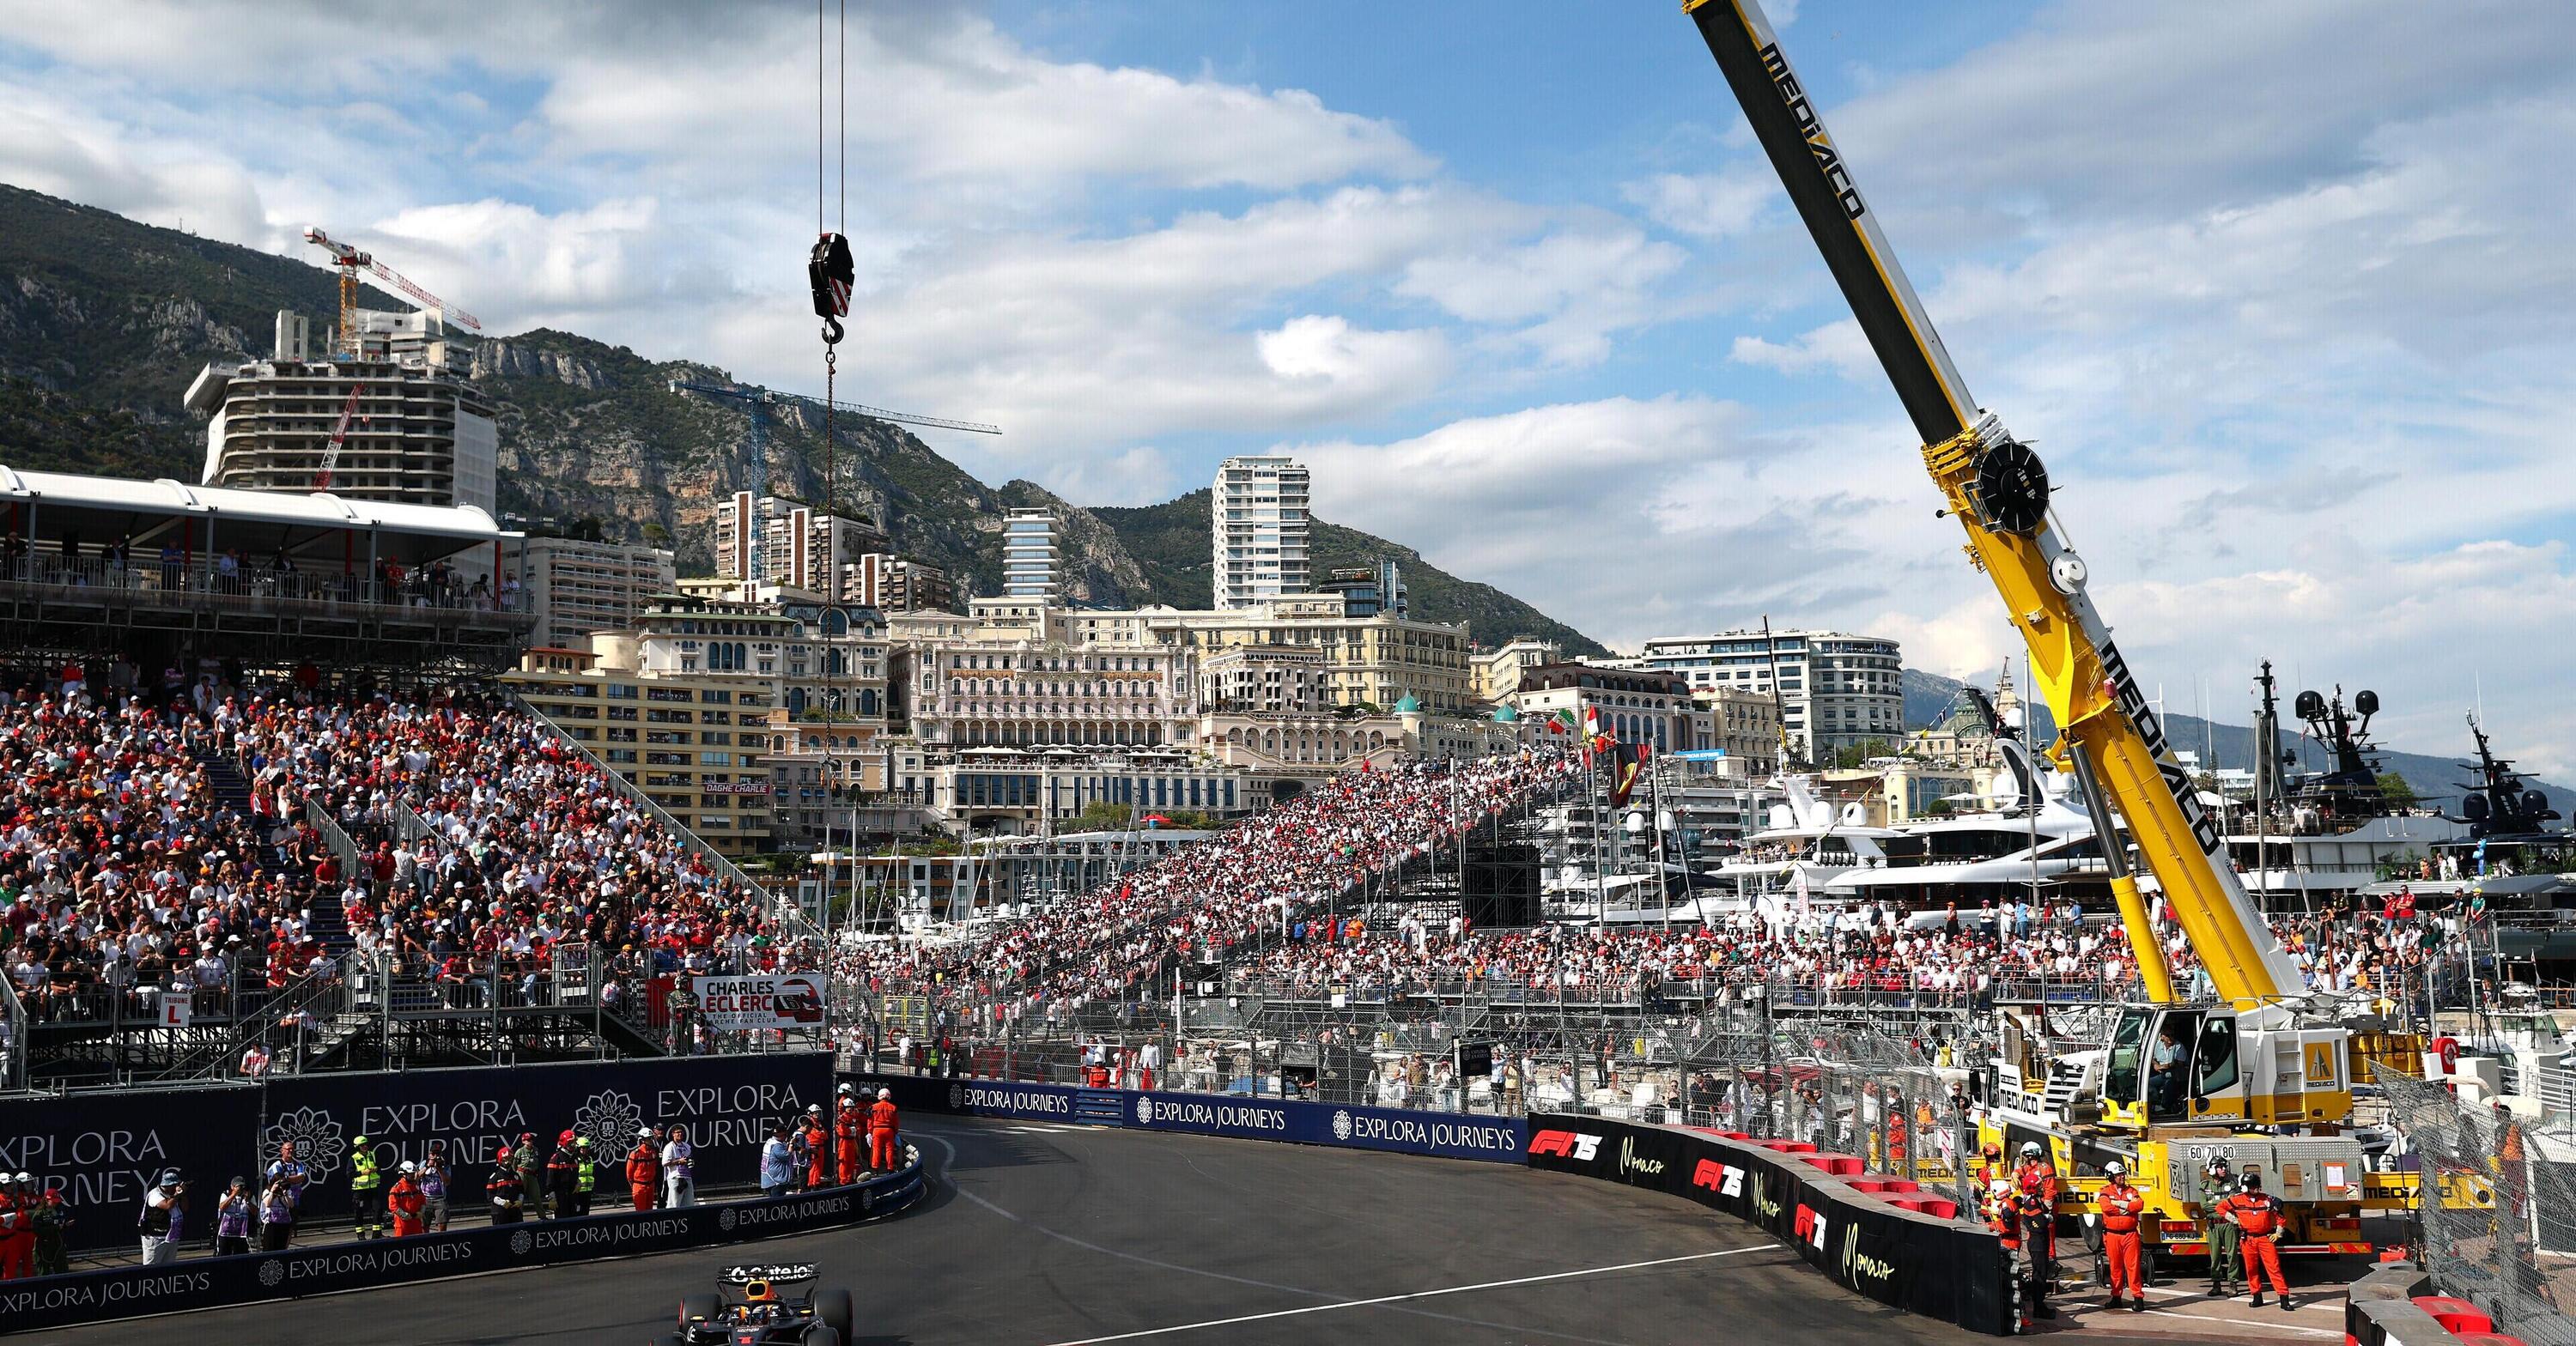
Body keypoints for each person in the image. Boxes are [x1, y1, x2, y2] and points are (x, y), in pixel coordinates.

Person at [2215, 1171, 2291, 1310]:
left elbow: (2280, 1217)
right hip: (2247, 1239)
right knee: (2251, 1269)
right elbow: (2220, 1208)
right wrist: (2233, 1219)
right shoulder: (2237, 1200)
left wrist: (2278, 1233)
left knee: (2274, 1268)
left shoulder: (2267, 1200)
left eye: (2257, 1186)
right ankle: (2256, 1296)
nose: (2256, 1189)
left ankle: (2284, 1298)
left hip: (2265, 1238)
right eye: (2252, 1186)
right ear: (2244, 1187)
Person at [2096, 1160, 2148, 1312]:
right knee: (2115, 1267)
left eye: (2123, 1174)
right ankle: (2116, 1297)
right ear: (2111, 1177)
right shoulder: (2105, 1191)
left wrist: (2118, 1204)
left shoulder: (2132, 1191)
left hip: (2130, 1235)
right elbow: (2106, 1207)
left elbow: (2139, 1205)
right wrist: (2126, 1207)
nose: (2122, 1177)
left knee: (2133, 1267)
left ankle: (2138, 1298)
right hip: (2112, 1235)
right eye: (2119, 1175)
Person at [2013, 1141, 2057, 1301]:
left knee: (2048, 1240)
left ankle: (2052, 1262)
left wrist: (2046, 1208)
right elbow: (2021, 1170)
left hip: (2044, 1210)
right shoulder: (2030, 1168)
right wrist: (2015, 1173)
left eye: (2026, 1155)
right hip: (2037, 1211)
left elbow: (2050, 1190)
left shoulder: (2044, 1169)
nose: (2024, 1158)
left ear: (2031, 1155)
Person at [2198, 1156, 2239, 1296]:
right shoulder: (2205, 1185)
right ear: (2212, 1169)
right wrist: (2223, 1203)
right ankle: (2216, 1284)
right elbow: (2204, 1205)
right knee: (2215, 1257)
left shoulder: (2231, 1184)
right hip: (2213, 1226)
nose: (2223, 1169)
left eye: (2224, 1166)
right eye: (2220, 1167)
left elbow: (2232, 1203)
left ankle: (2233, 1284)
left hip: (2228, 1225)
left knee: (2232, 1255)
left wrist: (2214, 1203)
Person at [137, 1169, 187, 1265]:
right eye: (175, 1185)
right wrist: (177, 1195)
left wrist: (183, 1194)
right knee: (152, 1268)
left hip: (171, 1236)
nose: (177, 1187)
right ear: (168, 1185)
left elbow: (185, 1208)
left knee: (168, 1267)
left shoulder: (174, 1195)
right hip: (155, 1238)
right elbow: (167, 1206)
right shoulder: (155, 1194)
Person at [264, 1141, 310, 1245]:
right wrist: (288, 1180)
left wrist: (286, 1178)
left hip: (294, 1202)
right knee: (275, 1228)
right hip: (279, 1203)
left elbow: (301, 1178)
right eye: (288, 1149)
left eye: (292, 1149)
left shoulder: (298, 1165)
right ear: (282, 1151)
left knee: (290, 1229)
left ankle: (285, 1249)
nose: (291, 1151)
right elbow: (277, 1179)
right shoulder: (277, 1165)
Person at [349, 1135, 385, 1240]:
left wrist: (376, 1168)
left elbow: (380, 1167)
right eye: (362, 1145)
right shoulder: (354, 1158)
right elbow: (349, 1174)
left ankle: (377, 1234)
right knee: (359, 1211)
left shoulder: (372, 1155)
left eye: (366, 1144)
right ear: (357, 1147)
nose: (365, 1146)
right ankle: (361, 1235)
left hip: (373, 1188)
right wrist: (362, 1172)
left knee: (378, 1209)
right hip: (359, 1190)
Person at [31, 1190, 70, 1276]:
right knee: (43, 1273)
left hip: (58, 1245)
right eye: (54, 1202)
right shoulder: (39, 1213)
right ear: (47, 1200)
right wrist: (56, 1228)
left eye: (57, 1202)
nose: (55, 1204)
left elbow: (61, 1224)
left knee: (63, 1272)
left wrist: (65, 1226)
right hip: (44, 1247)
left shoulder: (59, 1211)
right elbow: (37, 1230)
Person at [0, 1174, 31, 1281]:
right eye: (6, 1185)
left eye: (10, 1185)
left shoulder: (16, 1200)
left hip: (12, 1239)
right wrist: (10, 1218)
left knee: (11, 1270)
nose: (9, 1187)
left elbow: (21, 1218)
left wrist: (4, 1220)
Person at [214, 1177, 253, 1258]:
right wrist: (233, 1194)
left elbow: (255, 1212)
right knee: (223, 1257)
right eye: (238, 1187)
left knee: (241, 1258)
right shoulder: (226, 1194)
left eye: (242, 1187)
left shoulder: (249, 1195)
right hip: (225, 1233)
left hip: (241, 1234)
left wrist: (248, 1201)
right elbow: (222, 1207)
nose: (240, 1189)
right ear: (232, 1187)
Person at [545, 1131, 580, 1219]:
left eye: (574, 1142)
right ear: (565, 1143)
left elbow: (575, 1174)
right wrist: (552, 1198)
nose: (574, 1144)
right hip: (560, 1197)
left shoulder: (574, 1157)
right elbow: (550, 1180)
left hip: (572, 1195)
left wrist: (578, 1183)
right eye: (571, 1142)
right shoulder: (556, 1158)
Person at [834, 1088, 865, 1185]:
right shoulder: (842, 1118)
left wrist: (853, 1130)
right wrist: (852, 1130)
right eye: (848, 1107)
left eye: (851, 1107)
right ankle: (843, 1181)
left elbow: (858, 1128)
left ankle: (849, 1179)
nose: (850, 1109)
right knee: (844, 1162)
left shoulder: (853, 1118)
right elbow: (842, 1132)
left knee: (851, 1161)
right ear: (844, 1108)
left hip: (852, 1141)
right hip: (844, 1142)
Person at [419, 1142, 453, 1232]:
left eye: (437, 1154)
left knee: (442, 1223)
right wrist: (427, 1166)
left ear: (441, 1154)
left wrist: (439, 1169)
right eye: (433, 1153)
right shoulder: (424, 1163)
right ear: (430, 1154)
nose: (435, 1156)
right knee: (424, 1225)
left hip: (440, 1199)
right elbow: (416, 1177)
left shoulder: (445, 1165)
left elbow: (447, 1182)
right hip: (425, 1198)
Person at [487, 1149, 526, 1226]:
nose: (507, 1161)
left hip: (515, 1210)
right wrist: (502, 1202)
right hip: (500, 1212)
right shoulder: (495, 1177)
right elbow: (490, 1196)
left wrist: (520, 1201)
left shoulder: (516, 1176)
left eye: (510, 1158)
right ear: (500, 1160)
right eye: (505, 1159)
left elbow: (521, 1191)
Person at [387, 1162, 426, 1238]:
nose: (413, 1175)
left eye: (414, 1173)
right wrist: (404, 1215)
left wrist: (421, 1212)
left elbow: (423, 1201)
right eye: (410, 1173)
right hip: (402, 1224)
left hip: (416, 1223)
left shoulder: (416, 1187)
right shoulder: (397, 1188)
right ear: (403, 1174)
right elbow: (392, 1206)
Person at [626, 1128, 661, 1211]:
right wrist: (634, 1185)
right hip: (639, 1186)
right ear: (643, 1140)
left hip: (651, 1185)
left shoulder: (654, 1152)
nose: (651, 1140)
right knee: (640, 1212)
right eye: (649, 1139)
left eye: (652, 1138)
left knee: (649, 1211)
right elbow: (629, 1173)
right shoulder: (635, 1154)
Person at [661, 1125, 696, 1208]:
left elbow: (689, 1159)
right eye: (677, 1132)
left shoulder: (687, 1146)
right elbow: (664, 1163)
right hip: (675, 1178)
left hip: (687, 1177)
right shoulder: (669, 1147)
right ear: (673, 1134)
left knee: (689, 1204)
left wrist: (690, 1162)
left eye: (681, 1132)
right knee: (674, 1204)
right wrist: (679, 1161)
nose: (680, 1134)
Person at [868, 1087, 902, 1173]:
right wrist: (896, 1132)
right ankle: (890, 1168)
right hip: (889, 1130)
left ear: (879, 1096)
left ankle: (875, 1169)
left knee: (876, 1149)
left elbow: (870, 1120)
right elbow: (896, 1122)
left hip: (877, 1130)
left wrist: (869, 1132)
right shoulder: (893, 1107)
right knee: (889, 1149)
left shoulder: (873, 1107)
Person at [258, 1177, 295, 1252]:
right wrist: (272, 1191)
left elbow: (291, 1205)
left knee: (281, 1248)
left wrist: (285, 1194)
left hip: (284, 1224)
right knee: (269, 1248)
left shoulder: (287, 1191)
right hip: (271, 1223)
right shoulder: (267, 1191)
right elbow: (267, 1204)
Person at [761, 1123, 796, 1199]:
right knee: (777, 1204)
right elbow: (786, 1156)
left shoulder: (771, 1141)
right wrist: (791, 1145)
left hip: (771, 1179)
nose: (786, 1137)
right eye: (785, 1135)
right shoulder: (776, 1146)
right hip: (776, 1181)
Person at [802, 1107, 831, 1191]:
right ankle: (812, 1184)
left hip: (820, 1146)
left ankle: (817, 1182)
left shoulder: (819, 1123)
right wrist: (821, 1133)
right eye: (815, 1113)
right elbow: (819, 1135)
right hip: (813, 1147)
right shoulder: (810, 1123)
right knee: (814, 1167)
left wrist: (821, 1134)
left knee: (819, 1167)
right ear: (810, 1114)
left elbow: (825, 1136)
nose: (818, 1115)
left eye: (818, 1112)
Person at [571, 1137, 596, 1216]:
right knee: (577, 1213)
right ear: (578, 1148)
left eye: (586, 1147)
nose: (584, 1149)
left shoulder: (590, 1159)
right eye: (582, 1147)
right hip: (578, 1192)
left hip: (588, 1191)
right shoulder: (575, 1159)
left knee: (586, 1213)